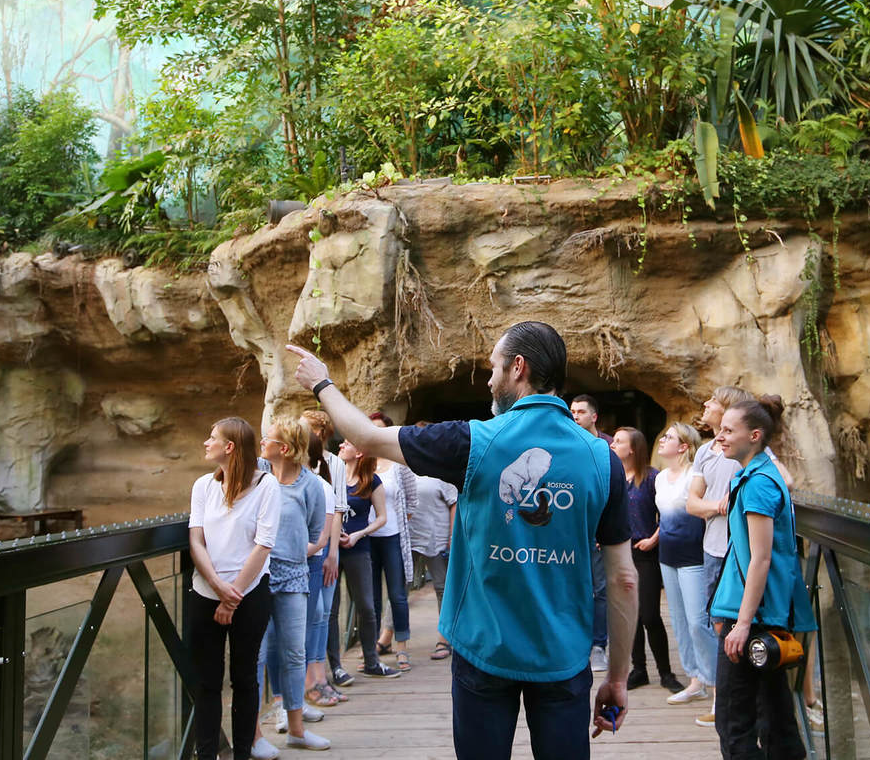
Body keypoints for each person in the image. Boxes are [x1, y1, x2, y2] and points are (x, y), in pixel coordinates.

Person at [287, 321, 637, 760]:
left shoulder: (474, 442)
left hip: (483, 648)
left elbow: (365, 437)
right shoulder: (601, 459)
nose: (489, 379)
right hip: (562, 657)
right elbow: (623, 578)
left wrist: (321, 381)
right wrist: (618, 677)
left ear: (518, 368)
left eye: (493, 367)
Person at [710, 397, 817, 760]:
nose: (719, 437)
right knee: (774, 712)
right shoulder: (753, 476)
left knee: (733, 720)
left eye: (728, 430)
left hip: (754, 617)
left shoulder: (758, 484)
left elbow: (761, 558)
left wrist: (740, 624)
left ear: (754, 436)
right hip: (762, 612)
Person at [186, 417, 280, 760]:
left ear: (230, 447)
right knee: (207, 682)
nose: (205, 442)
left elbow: (264, 544)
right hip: (205, 594)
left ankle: (243, 753)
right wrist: (216, 586)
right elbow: (196, 540)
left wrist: (232, 596)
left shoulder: (266, 486)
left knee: (244, 678)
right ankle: (206, 754)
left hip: (250, 594)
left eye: (212, 437)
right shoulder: (202, 486)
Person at [254, 416, 330, 751]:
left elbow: (315, 533)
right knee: (254, 655)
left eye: (266, 438)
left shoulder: (310, 485)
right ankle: (252, 734)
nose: (261, 442)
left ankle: (297, 730)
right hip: (256, 575)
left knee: (295, 653)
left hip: (294, 576)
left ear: (283, 448)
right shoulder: (255, 475)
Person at [655, 421, 720, 718]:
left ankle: (720, 687)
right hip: (666, 555)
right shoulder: (660, 478)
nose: (662, 439)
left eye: (668, 437)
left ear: (683, 446)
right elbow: (662, 518)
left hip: (694, 555)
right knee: (680, 622)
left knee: (698, 622)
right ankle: (696, 680)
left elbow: (701, 508)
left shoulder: (695, 474)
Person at [610, 426, 683, 695]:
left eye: (618, 442)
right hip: (619, 552)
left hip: (646, 552)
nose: (612, 445)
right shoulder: (612, 476)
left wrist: (654, 538)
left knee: (650, 614)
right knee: (629, 615)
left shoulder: (653, 477)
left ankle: (666, 673)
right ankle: (638, 669)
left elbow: (669, 511)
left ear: (633, 449)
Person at [685, 386, 755, 607]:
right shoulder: (705, 451)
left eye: (713, 400)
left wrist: (737, 494)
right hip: (712, 549)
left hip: (742, 549)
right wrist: (719, 505)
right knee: (716, 620)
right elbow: (692, 504)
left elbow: (784, 479)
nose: (706, 403)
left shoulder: (747, 447)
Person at [339, 436, 402, 678]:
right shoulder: (332, 477)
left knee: (366, 606)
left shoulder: (371, 481)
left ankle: (371, 661)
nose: (341, 446)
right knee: (330, 611)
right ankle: (334, 667)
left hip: (358, 548)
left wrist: (358, 534)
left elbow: (381, 517)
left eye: (347, 443)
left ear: (359, 453)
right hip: (332, 550)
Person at [301, 410, 353, 695]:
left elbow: (337, 509)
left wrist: (333, 551)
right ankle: (313, 677)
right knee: (315, 610)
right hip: (306, 548)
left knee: (323, 611)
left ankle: (320, 676)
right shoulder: (293, 462)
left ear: (318, 433)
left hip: (324, 546)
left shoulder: (333, 463)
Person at [368, 412, 418, 672]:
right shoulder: (362, 461)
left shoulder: (400, 464)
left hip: (393, 537)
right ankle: (372, 647)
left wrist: (398, 523)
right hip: (366, 539)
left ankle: (401, 648)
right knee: (371, 597)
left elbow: (412, 501)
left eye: (380, 429)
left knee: (398, 595)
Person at [569, 393, 611, 673]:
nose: (575, 416)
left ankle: (599, 645)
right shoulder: (566, 444)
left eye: (581, 412)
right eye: (572, 411)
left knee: (600, 589)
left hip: (598, 532)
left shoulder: (607, 447)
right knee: (574, 587)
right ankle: (577, 643)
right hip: (571, 531)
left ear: (593, 416)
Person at [409, 465, 458, 660]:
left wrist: (453, 536)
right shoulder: (404, 465)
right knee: (399, 588)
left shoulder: (440, 469)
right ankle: (387, 638)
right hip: (410, 537)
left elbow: (454, 502)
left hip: (436, 537)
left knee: (441, 587)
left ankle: (444, 639)